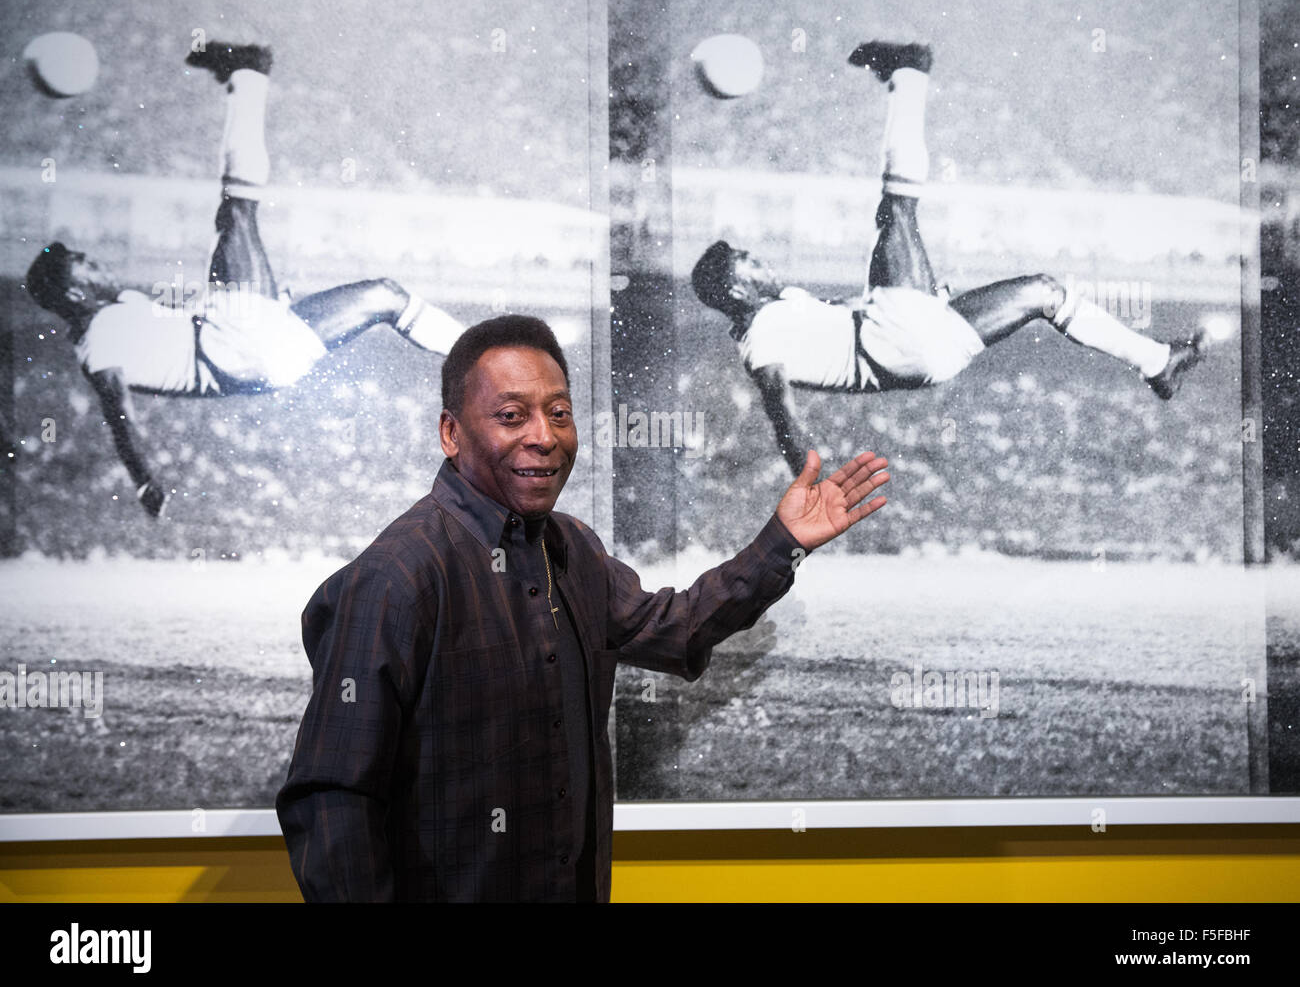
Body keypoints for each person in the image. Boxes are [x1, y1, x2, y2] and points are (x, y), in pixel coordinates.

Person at [275, 313, 891, 902]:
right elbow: (330, 803)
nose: (543, 436)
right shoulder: (397, 577)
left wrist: (779, 545)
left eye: (559, 413)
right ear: (451, 432)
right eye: (511, 415)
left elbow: (674, 630)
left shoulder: (572, 550)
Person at [691, 40, 1210, 477]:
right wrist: (809, 477)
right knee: (896, 210)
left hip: (922, 352)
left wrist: (919, 298)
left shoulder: (783, 311)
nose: (759, 261)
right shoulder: (761, 338)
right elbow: (779, 407)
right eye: (746, 262)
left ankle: (1158, 362)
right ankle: (909, 76)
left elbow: (826, 338)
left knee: (1045, 293)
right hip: (892, 342)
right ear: (736, 290)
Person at [23, 41, 465, 517]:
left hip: (256, 353)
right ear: (73, 291)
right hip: (236, 347)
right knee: (236, 211)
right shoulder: (99, 341)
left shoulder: (118, 313)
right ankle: (248, 76)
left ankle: (487, 351)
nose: (99, 265)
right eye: (86, 265)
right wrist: (142, 479)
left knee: (387, 295)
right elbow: (119, 414)